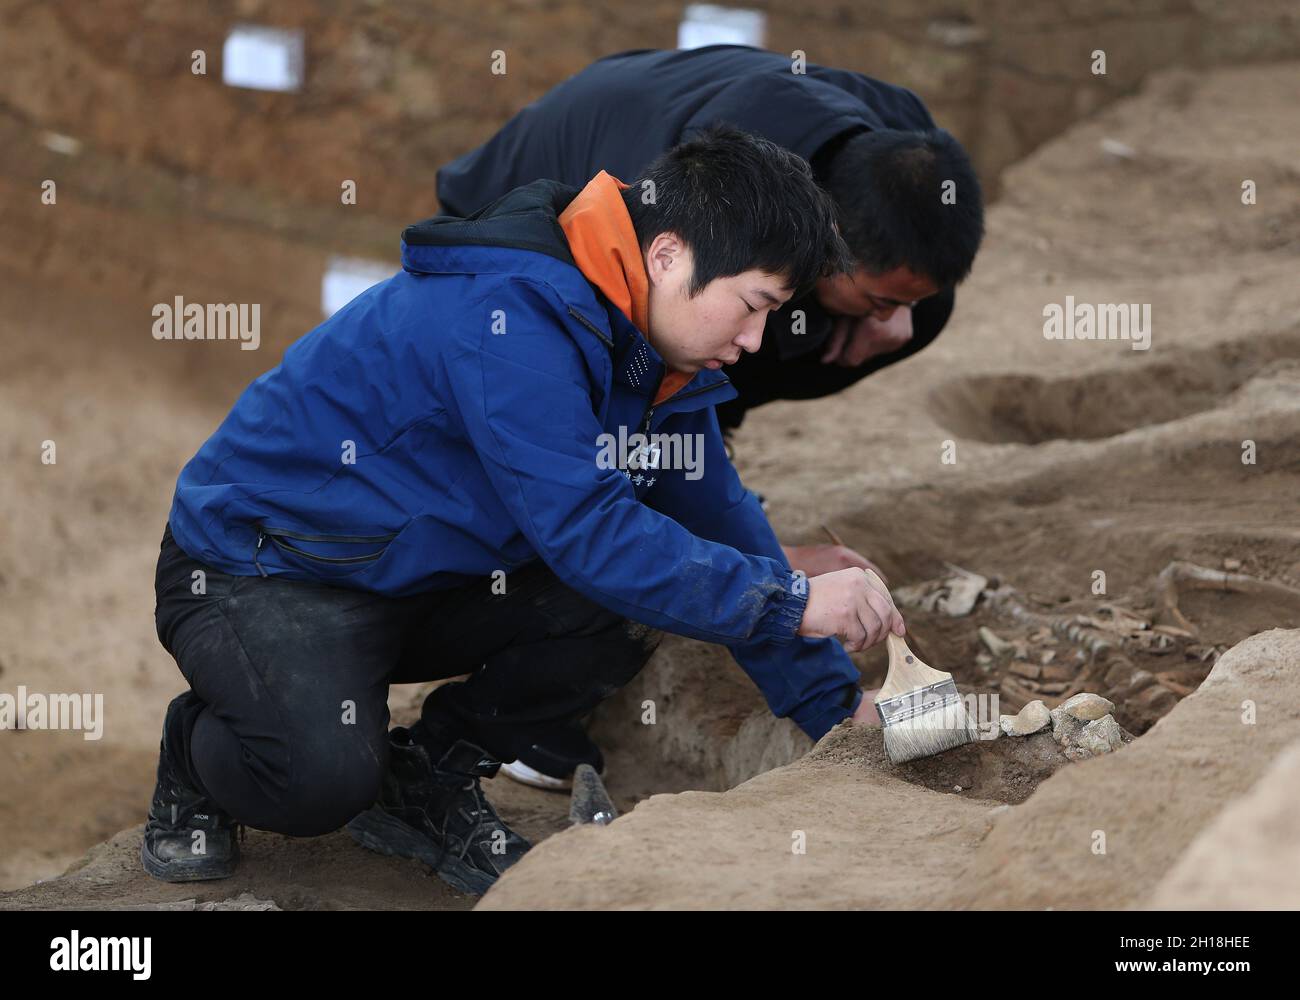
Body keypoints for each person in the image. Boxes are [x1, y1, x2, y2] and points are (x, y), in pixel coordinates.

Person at [143, 126, 906, 896]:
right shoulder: (509, 320)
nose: (752, 341)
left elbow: (717, 518)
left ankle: (430, 777)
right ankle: (196, 750)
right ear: (668, 255)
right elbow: (587, 534)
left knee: (642, 591)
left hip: (419, 575)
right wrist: (797, 601)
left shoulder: (656, 351)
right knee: (319, 780)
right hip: (263, 570)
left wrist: (837, 707)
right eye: (752, 305)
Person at [437, 45, 984, 787]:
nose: (896, 323)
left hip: (711, 281)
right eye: (883, 298)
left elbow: (691, 460)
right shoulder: (670, 223)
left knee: (694, 415)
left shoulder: (905, 158)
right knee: (594, 496)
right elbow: (597, 523)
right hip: (539, 200)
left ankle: (700, 452)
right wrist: (781, 582)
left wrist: (830, 700)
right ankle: (505, 724)